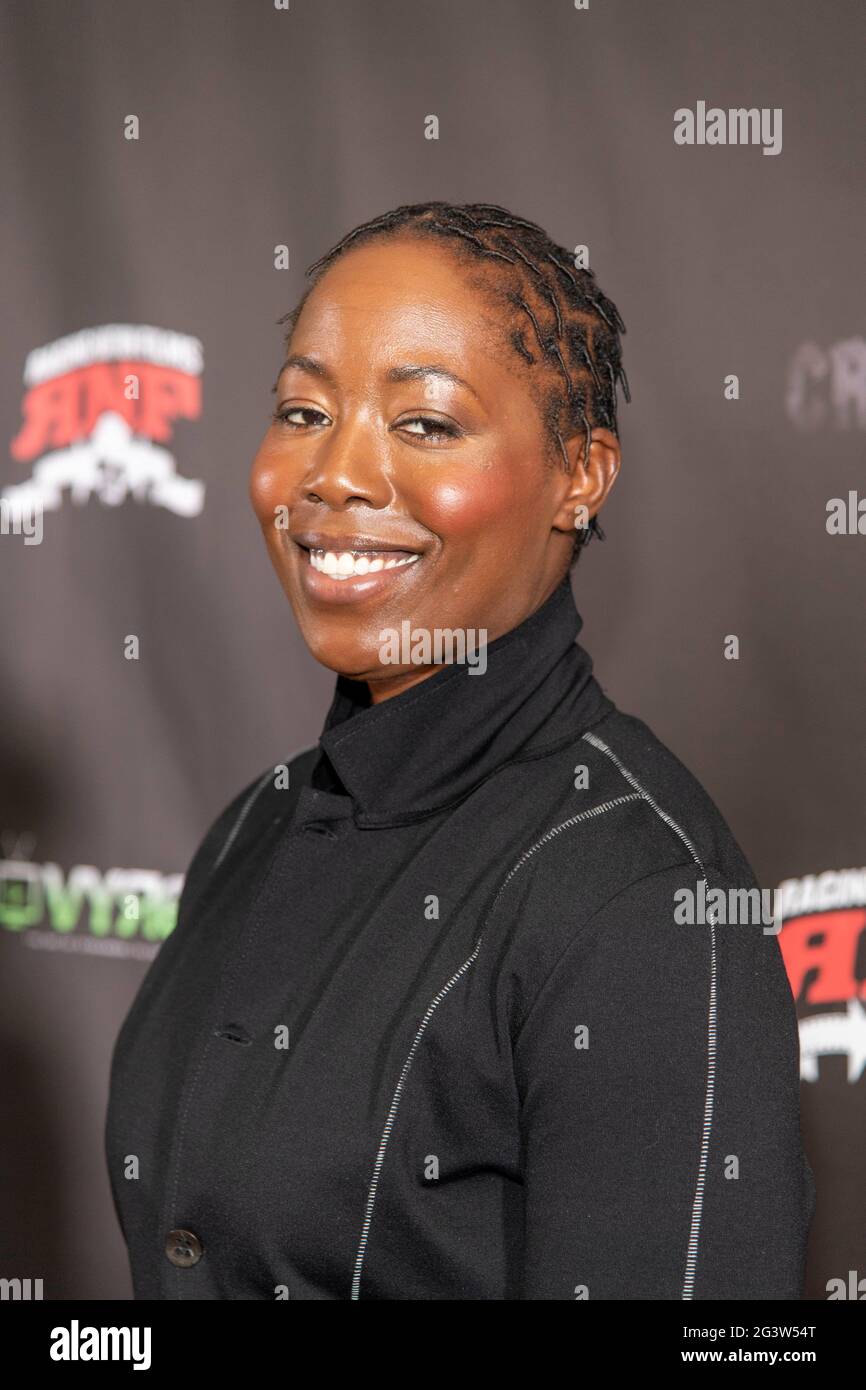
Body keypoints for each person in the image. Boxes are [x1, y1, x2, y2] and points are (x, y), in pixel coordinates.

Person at [105, 201, 815, 1300]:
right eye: (301, 410)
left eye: (424, 424)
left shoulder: (641, 898)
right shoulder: (251, 826)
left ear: (580, 475)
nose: (331, 476)